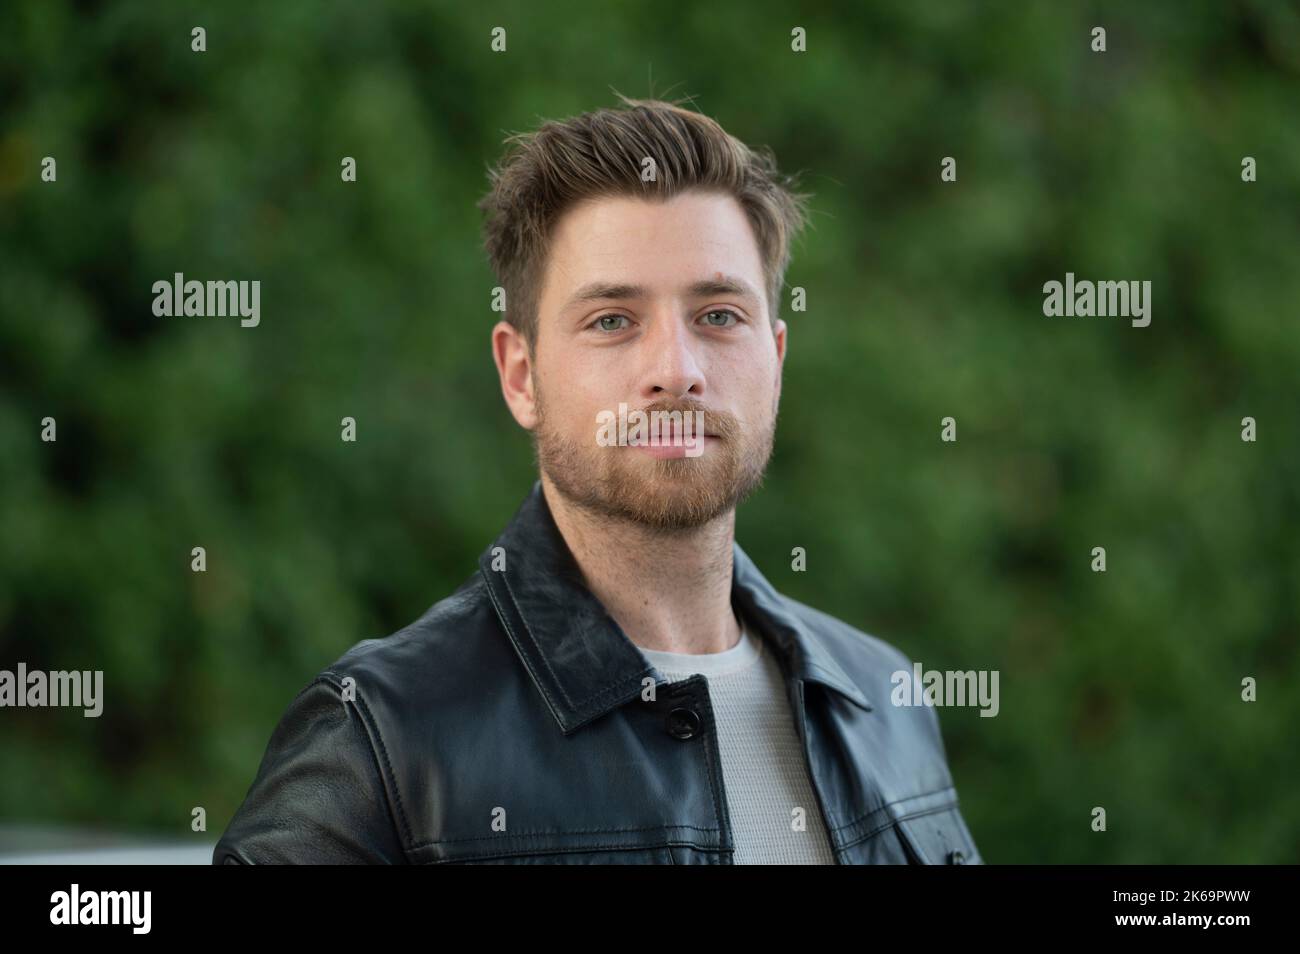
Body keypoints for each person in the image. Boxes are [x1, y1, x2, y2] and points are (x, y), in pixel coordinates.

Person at [213, 95, 982, 864]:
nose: (676, 372)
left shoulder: (884, 698)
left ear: (776, 360)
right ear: (521, 375)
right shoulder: (380, 742)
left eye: (718, 315)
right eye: (613, 320)